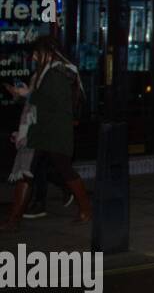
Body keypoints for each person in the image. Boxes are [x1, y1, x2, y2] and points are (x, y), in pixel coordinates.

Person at [2, 36, 92, 231]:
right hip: (41, 131)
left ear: (46, 52)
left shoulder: (57, 73)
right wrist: (25, 95)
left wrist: (28, 94)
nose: (34, 57)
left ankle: (86, 209)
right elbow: (41, 101)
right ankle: (14, 219)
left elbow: (54, 103)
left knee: (64, 169)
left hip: (54, 131)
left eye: (36, 53)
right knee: (26, 172)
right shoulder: (47, 72)